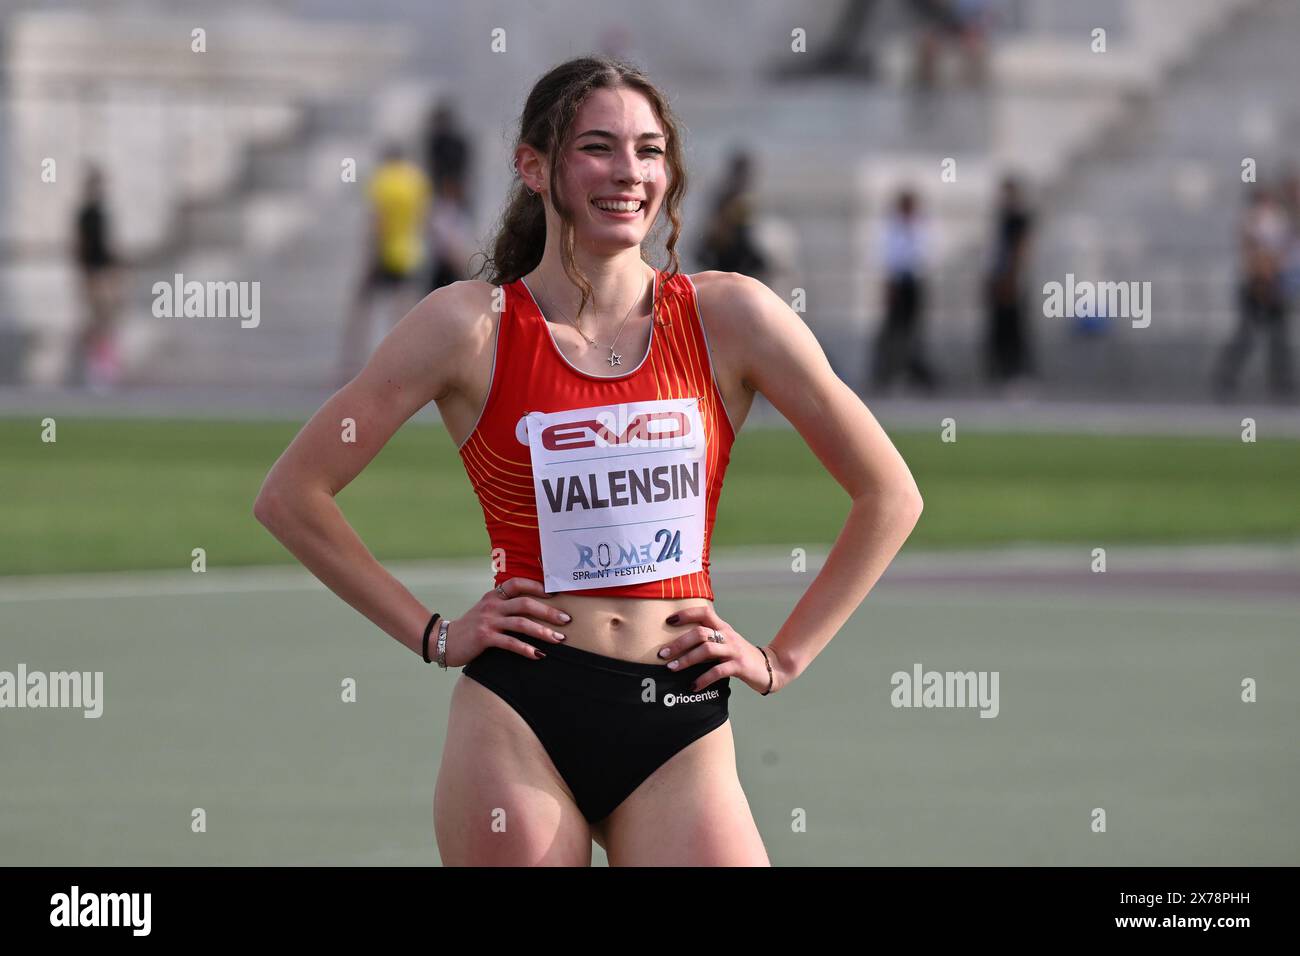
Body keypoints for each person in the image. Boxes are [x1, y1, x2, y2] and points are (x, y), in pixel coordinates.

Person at [254, 55, 924, 866]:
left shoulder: (732, 317)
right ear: (533, 167)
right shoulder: (469, 327)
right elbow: (293, 495)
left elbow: (888, 493)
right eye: (597, 147)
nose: (628, 173)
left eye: (649, 150)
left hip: (680, 718)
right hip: (521, 714)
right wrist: (432, 634)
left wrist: (780, 659)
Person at [337, 143, 432, 384]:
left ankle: (352, 365)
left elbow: (376, 221)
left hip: (385, 252)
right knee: (402, 313)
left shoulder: (382, 180)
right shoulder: (416, 180)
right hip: (410, 252)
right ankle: (406, 364)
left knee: (361, 309)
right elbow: (423, 219)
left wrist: (370, 254)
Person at [1214, 186, 1295, 399]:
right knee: (1246, 337)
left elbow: (1280, 254)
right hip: (1255, 286)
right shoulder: (1252, 221)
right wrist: (1261, 280)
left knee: (1278, 340)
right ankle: (1226, 381)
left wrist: (1273, 278)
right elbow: (1252, 255)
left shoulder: (1278, 221)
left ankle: (1281, 385)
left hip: (1273, 286)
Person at [871, 189, 939, 394]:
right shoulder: (892, 228)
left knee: (913, 332)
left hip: (914, 284)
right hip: (898, 284)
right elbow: (889, 258)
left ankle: (914, 376)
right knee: (894, 331)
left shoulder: (921, 227)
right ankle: (891, 374)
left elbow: (926, 256)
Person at [67, 165, 125, 389]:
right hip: (92, 271)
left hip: (103, 270)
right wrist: (83, 273)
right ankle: (94, 368)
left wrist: (116, 269)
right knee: (96, 320)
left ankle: (104, 366)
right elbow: (80, 245)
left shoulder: (102, 213)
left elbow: (108, 246)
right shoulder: (85, 214)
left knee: (106, 320)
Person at [983, 175, 1035, 391]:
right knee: (1000, 328)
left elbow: (1020, 250)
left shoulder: (1018, 218)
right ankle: (1002, 371)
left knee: (1014, 328)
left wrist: (1011, 278)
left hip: (1011, 279)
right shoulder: (1003, 217)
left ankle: (1018, 372)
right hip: (1001, 277)